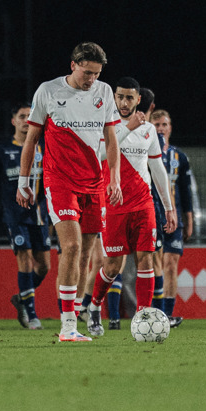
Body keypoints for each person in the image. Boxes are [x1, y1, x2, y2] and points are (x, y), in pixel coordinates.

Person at [16, 42, 122, 343]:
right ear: (73, 65)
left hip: (94, 183)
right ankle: (66, 325)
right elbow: (31, 139)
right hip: (60, 181)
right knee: (72, 247)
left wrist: (114, 179)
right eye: (87, 72)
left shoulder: (104, 92)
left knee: (86, 253)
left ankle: (73, 321)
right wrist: (23, 180)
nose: (91, 79)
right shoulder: (48, 91)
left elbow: (111, 139)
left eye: (96, 74)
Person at [84, 79, 176, 337]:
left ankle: (143, 318)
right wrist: (128, 128)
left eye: (129, 98)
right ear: (114, 97)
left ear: (138, 100)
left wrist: (169, 207)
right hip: (113, 205)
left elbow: (157, 169)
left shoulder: (149, 130)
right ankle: (94, 305)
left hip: (143, 204)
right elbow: (100, 155)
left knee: (146, 259)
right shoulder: (104, 124)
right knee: (112, 267)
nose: (124, 102)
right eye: (120, 97)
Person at [0, 103, 50, 330]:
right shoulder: (1, 148)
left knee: (44, 266)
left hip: (39, 214)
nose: (26, 120)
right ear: (14, 121)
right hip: (14, 214)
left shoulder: (44, 146)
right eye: (22, 116)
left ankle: (22, 297)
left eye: (30, 116)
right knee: (25, 258)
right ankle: (31, 314)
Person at [150, 108, 195, 328]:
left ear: (170, 128)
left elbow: (186, 191)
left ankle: (167, 314)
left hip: (175, 218)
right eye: (157, 125)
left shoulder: (180, 157)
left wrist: (189, 220)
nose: (160, 129)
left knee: (170, 265)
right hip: (153, 215)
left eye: (164, 125)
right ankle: (155, 311)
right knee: (155, 264)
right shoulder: (146, 153)